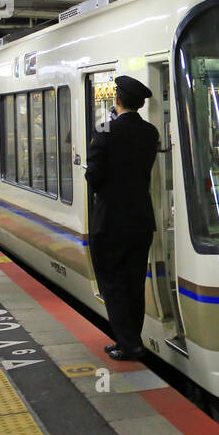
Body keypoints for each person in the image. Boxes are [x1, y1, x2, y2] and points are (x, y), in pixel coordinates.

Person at [85, 75, 159, 361]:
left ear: (117, 100)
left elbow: (95, 176)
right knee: (134, 282)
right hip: (141, 219)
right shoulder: (150, 132)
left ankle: (128, 344)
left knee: (112, 282)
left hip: (110, 221)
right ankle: (132, 338)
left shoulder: (104, 130)